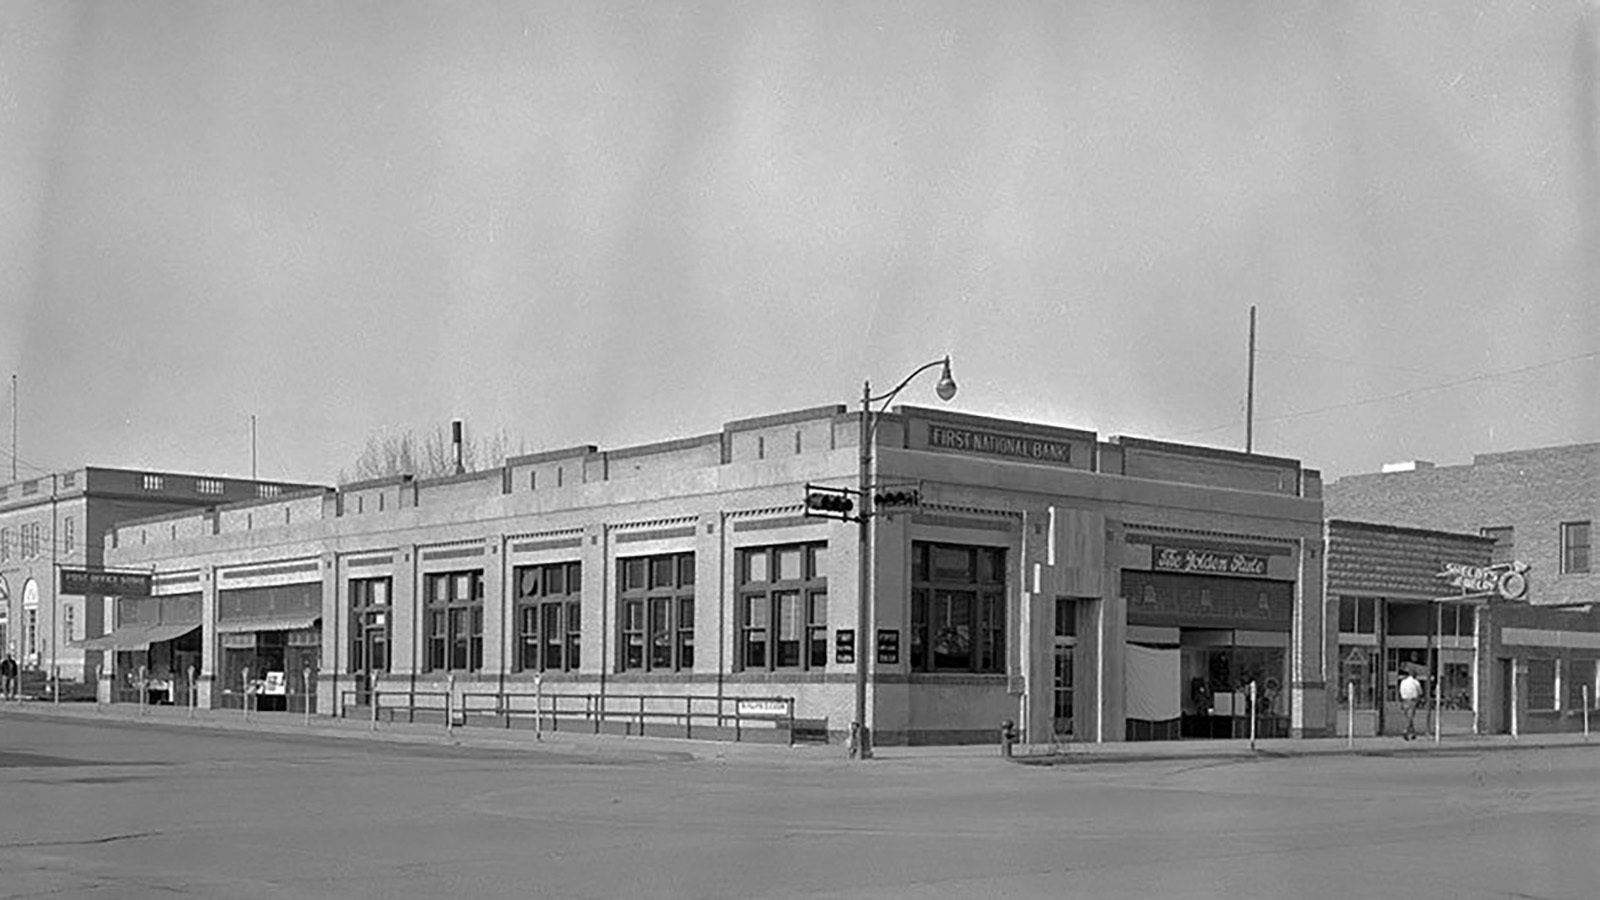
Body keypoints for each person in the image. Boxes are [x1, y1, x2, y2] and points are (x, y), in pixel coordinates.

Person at [1399, 670, 1423, 740]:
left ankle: (1413, 733)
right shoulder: (1415, 682)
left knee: (1408, 717)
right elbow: (1420, 692)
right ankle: (1405, 731)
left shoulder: (1403, 682)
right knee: (1410, 717)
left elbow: (1400, 691)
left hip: (1404, 700)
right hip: (1412, 700)